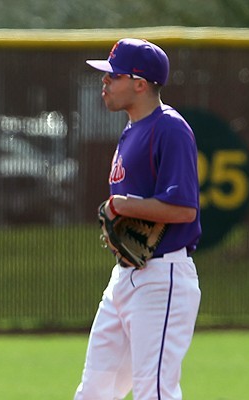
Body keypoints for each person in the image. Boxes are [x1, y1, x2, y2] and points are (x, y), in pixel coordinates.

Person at [75, 38, 202, 399]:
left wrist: (122, 206)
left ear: (140, 83)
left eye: (113, 76)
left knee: (154, 391)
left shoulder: (170, 128)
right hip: (125, 277)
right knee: (95, 391)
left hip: (162, 279)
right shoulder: (132, 130)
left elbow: (184, 209)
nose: (105, 81)